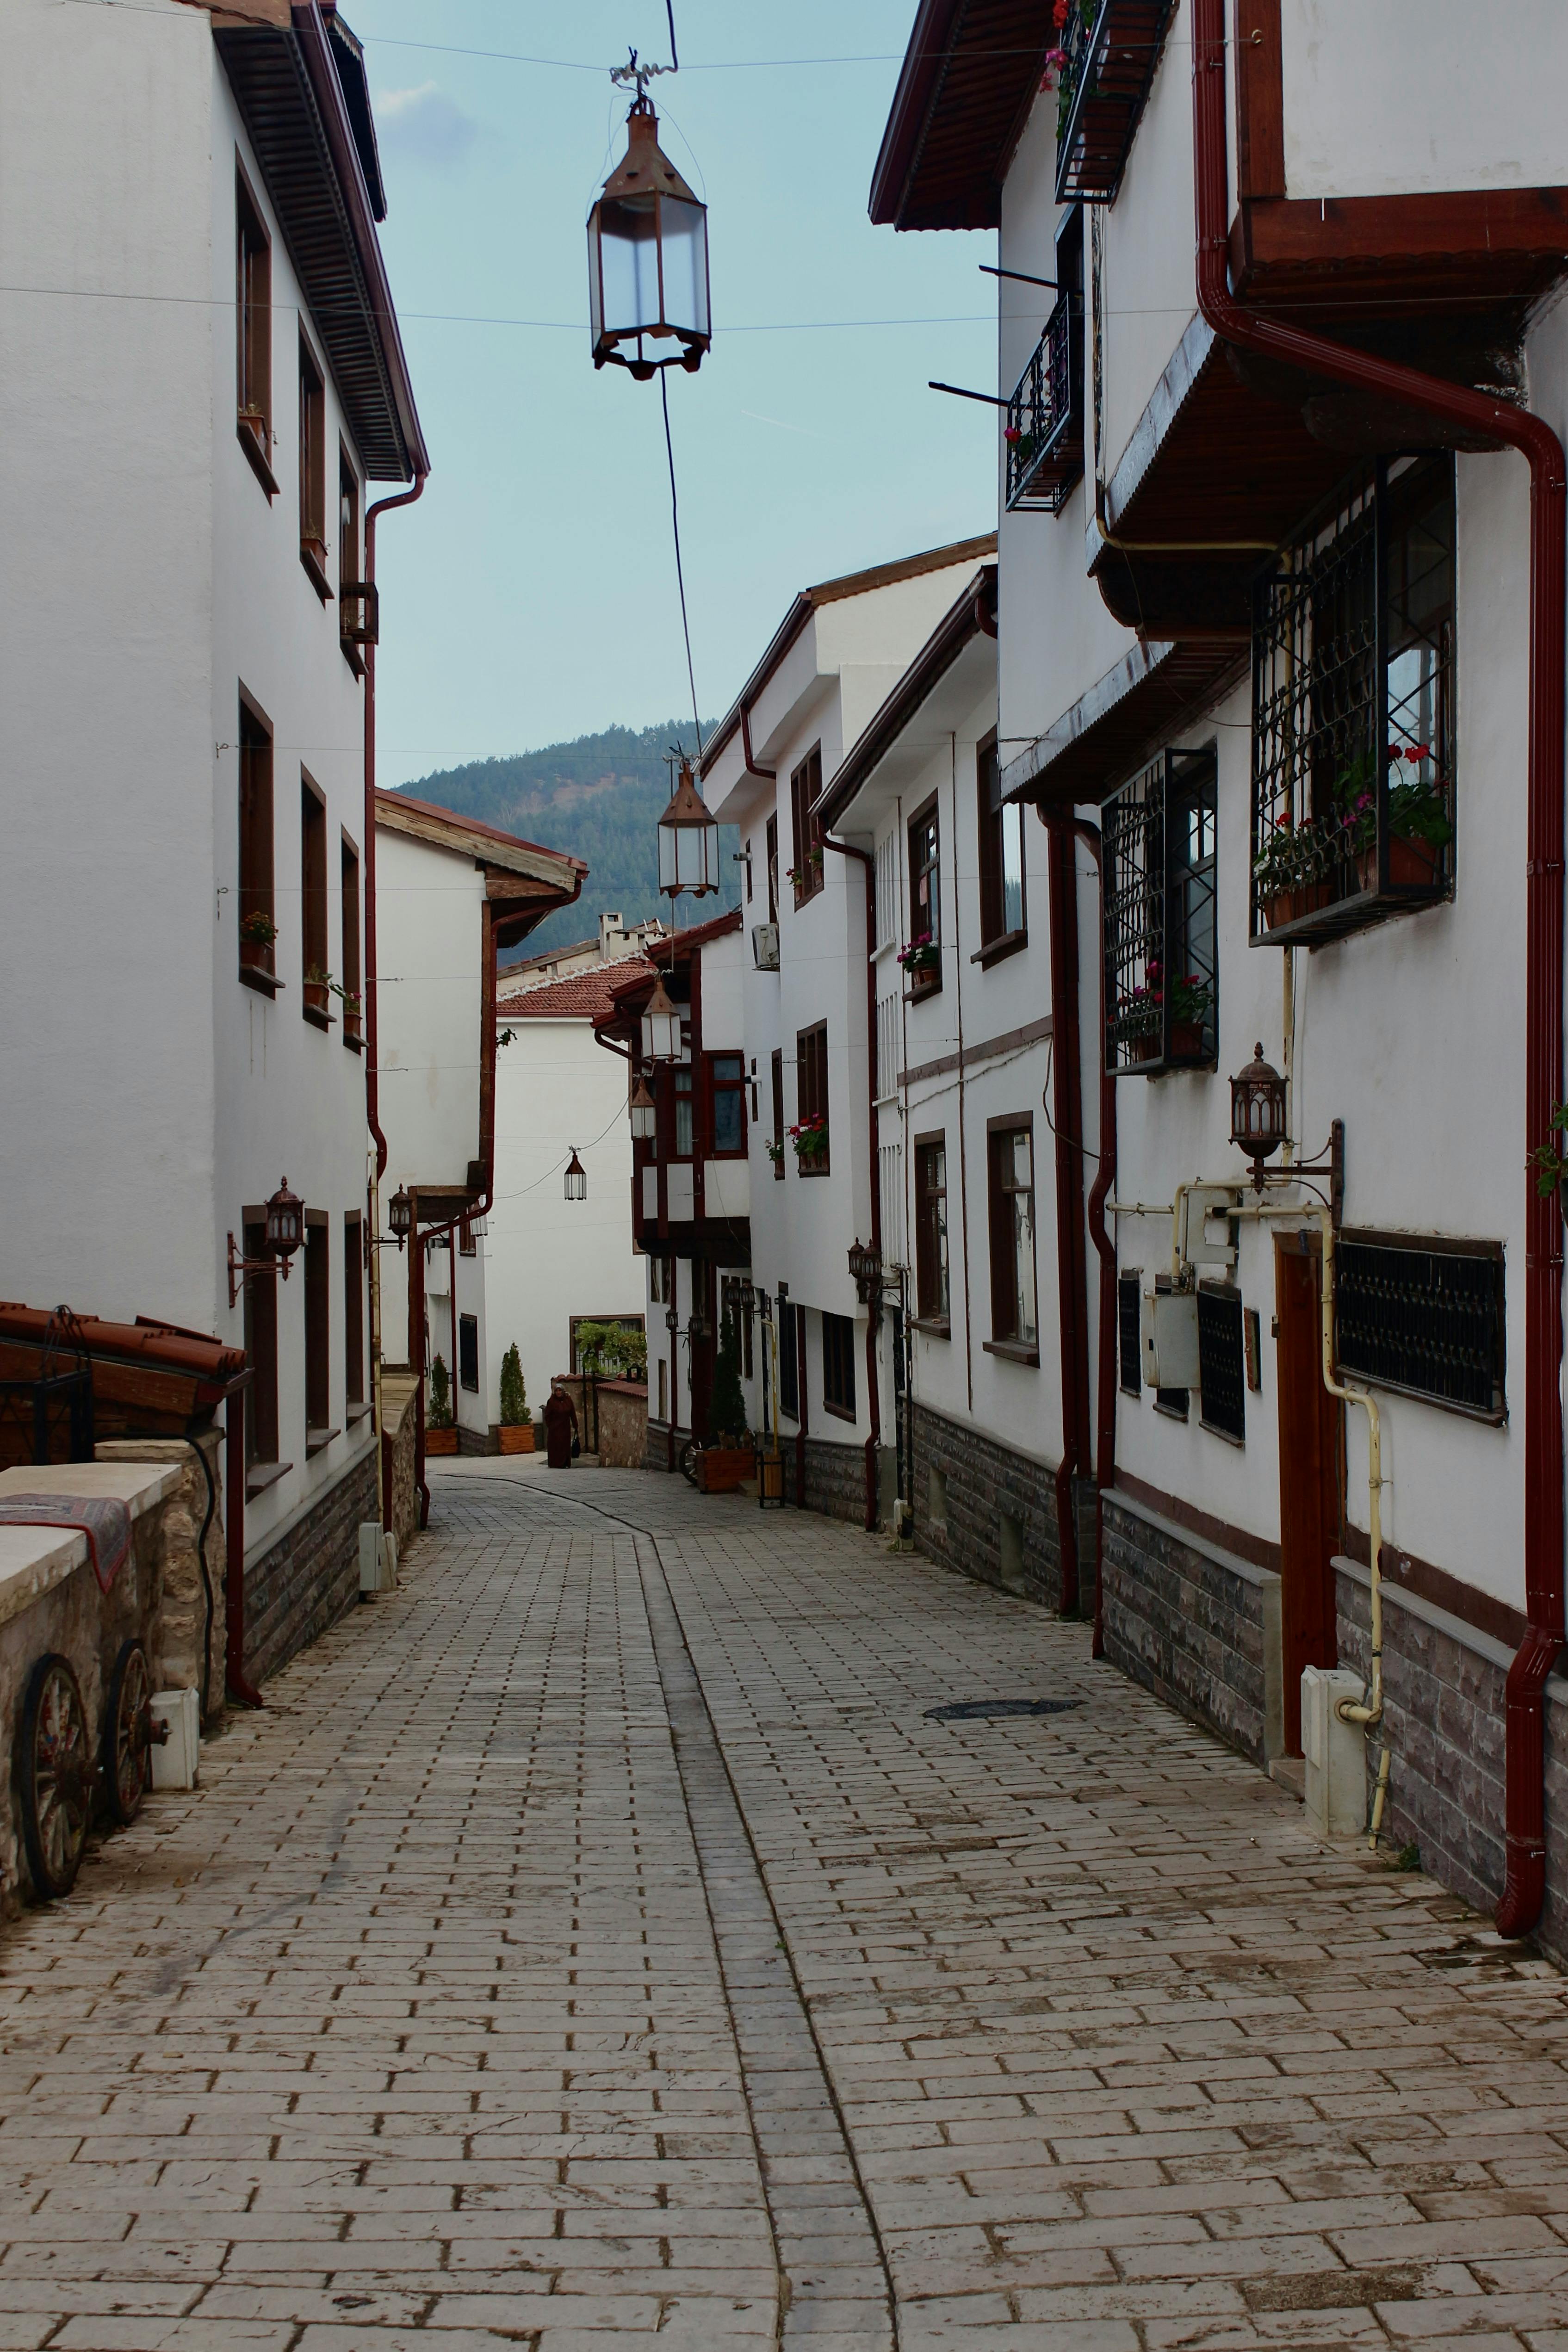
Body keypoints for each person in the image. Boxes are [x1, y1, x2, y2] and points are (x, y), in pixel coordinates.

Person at [541, 1379, 578, 1470]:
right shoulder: (552, 1401)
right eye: (557, 1391)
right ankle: (556, 1463)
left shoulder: (568, 1400)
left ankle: (565, 1463)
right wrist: (551, 1425)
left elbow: (572, 1412)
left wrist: (575, 1424)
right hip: (555, 1428)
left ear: (563, 1391)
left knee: (565, 1445)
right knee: (557, 1446)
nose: (558, 1393)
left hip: (565, 1426)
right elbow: (547, 1415)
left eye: (560, 1390)